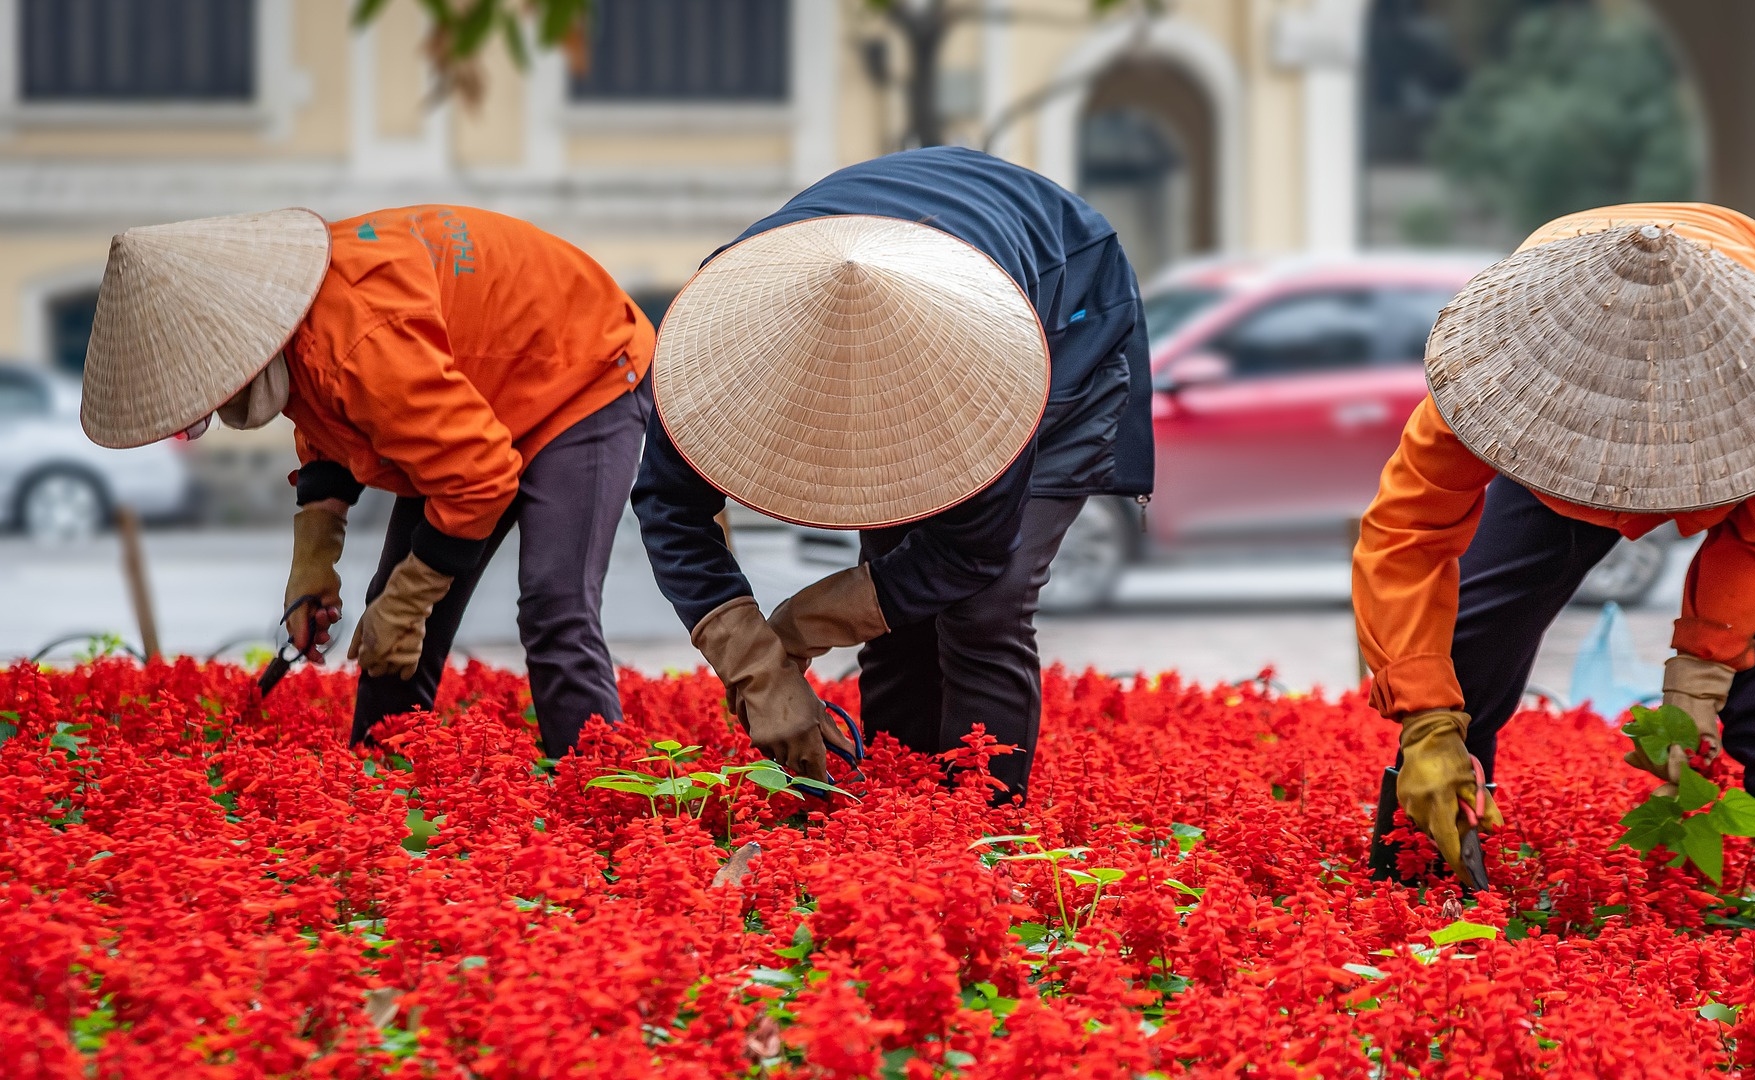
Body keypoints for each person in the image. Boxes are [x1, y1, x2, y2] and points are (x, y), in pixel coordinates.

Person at [1356, 203, 1755, 918]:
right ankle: (1427, 886)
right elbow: (1407, 535)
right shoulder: (1497, 374)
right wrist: (1428, 720)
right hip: (1564, 372)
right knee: (1469, 646)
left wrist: (1704, 668)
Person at [631, 146, 1153, 801]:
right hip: (913, 243)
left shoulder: (984, 363)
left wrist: (800, 625)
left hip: (1065, 305)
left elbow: (970, 555)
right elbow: (668, 507)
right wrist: (756, 669)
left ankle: (980, 839)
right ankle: (891, 812)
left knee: (985, 609)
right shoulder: (713, 341)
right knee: (902, 614)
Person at [79, 206, 654, 756]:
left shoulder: (358, 340)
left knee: (554, 605)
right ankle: (387, 779)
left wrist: (409, 602)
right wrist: (314, 561)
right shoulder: (302, 328)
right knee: (393, 609)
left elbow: (477, 478)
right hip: (481, 401)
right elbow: (327, 424)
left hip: (585, 371)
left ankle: (601, 801)